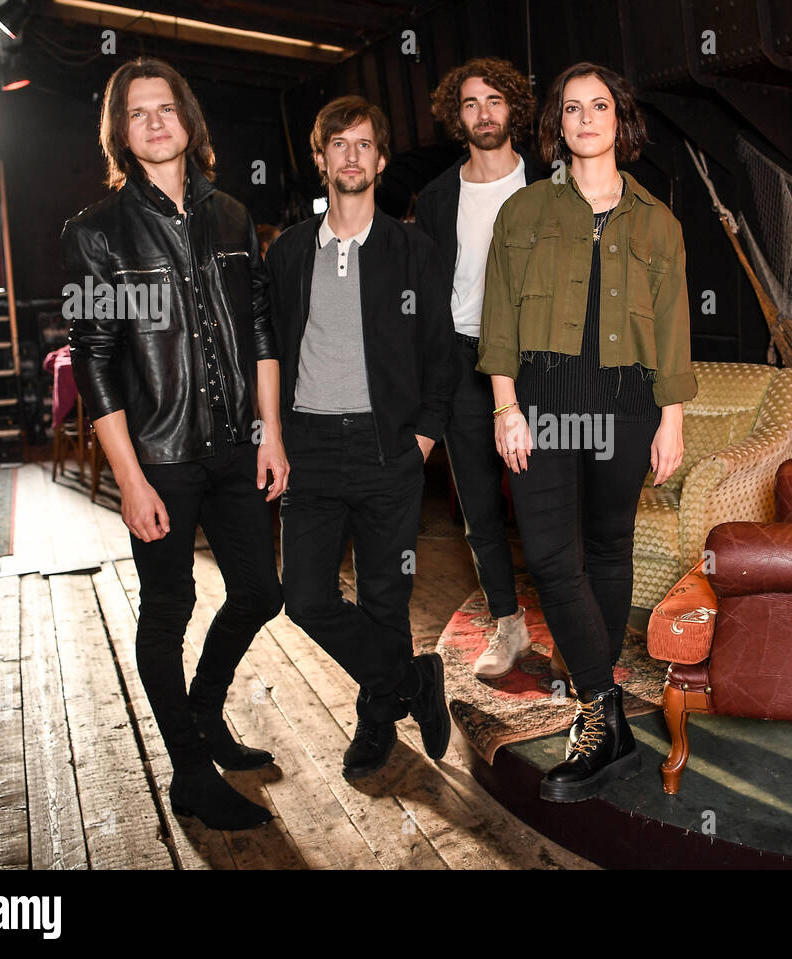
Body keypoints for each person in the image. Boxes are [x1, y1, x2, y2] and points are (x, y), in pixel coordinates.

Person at [63, 58, 286, 831]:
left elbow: (259, 329)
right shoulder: (94, 234)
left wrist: (272, 435)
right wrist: (129, 479)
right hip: (158, 456)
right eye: (136, 113)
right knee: (170, 606)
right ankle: (190, 770)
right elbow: (92, 361)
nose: (154, 122)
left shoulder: (231, 215)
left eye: (165, 108)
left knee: (263, 591)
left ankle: (203, 712)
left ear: (189, 119)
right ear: (120, 134)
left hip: (234, 447)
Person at [479, 62, 696, 803]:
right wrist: (506, 406)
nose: (586, 117)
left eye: (599, 105)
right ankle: (605, 709)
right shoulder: (524, 212)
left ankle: (596, 718)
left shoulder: (659, 221)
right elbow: (500, 315)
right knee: (547, 553)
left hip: (627, 407)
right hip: (542, 402)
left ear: (619, 120)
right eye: (572, 108)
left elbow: (672, 331)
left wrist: (671, 420)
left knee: (607, 546)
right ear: (559, 126)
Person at [266, 96, 457, 781]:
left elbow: (442, 353)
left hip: (389, 452)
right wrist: (273, 436)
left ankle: (377, 721)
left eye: (364, 144)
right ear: (320, 160)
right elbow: (268, 352)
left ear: (379, 160)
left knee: (385, 596)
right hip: (311, 450)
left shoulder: (412, 251)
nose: (351, 156)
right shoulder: (287, 252)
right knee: (306, 597)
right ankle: (411, 679)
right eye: (337, 145)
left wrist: (425, 439)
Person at [414, 57, 550, 681]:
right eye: (470, 104)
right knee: (477, 507)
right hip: (464, 362)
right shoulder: (440, 197)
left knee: (542, 499)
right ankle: (509, 624)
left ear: (513, 109)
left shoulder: (550, 184)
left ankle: (568, 622)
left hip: (538, 364)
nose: (483, 114)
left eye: (494, 101)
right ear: (457, 116)